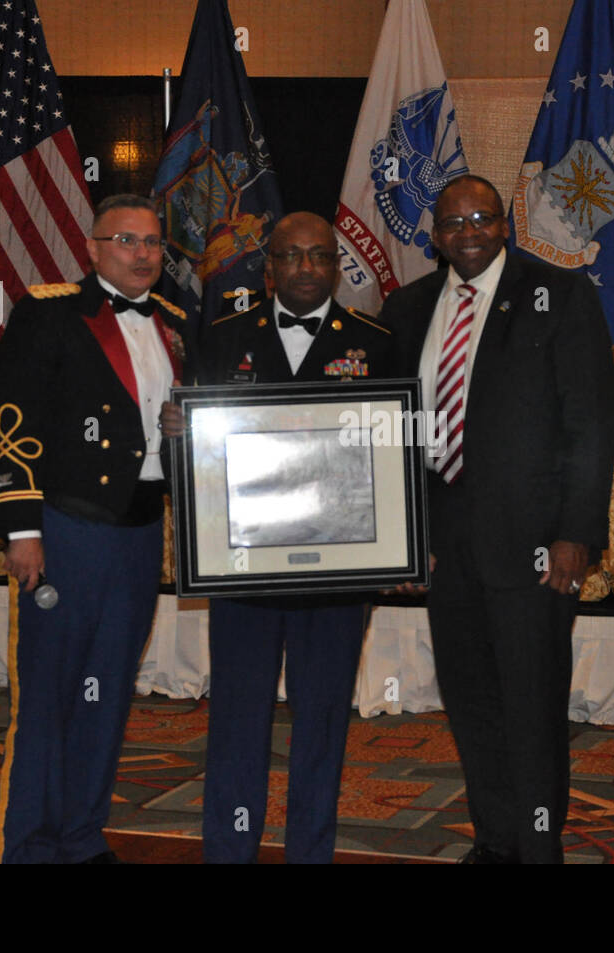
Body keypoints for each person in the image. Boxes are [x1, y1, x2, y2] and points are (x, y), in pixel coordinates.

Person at [380, 175, 614, 864]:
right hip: (444, 551)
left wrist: (576, 534)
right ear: (436, 235)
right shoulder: (406, 308)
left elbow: (591, 424)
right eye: (454, 222)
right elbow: (389, 429)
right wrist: (403, 537)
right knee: (472, 704)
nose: (469, 231)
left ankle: (539, 846)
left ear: (505, 225)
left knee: (532, 709)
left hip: (536, 549)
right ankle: (494, 839)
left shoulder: (561, 296)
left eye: (482, 217)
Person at [174, 211, 394, 863]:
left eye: (319, 256)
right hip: (244, 570)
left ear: (335, 267)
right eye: (291, 256)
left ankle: (309, 852)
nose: (306, 267)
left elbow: (395, 455)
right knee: (237, 721)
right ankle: (229, 850)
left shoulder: (375, 341)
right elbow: (201, 459)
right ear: (268, 269)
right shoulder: (220, 337)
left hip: (336, 578)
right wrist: (177, 434)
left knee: (322, 728)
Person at [0, 194, 187, 864]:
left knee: (108, 684)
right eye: (126, 239)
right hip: (67, 526)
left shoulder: (176, 323)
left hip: (138, 530)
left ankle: (80, 834)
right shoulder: (50, 313)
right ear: (92, 247)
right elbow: (12, 420)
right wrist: (21, 527)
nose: (142, 253)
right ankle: (31, 844)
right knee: (48, 692)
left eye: (153, 242)